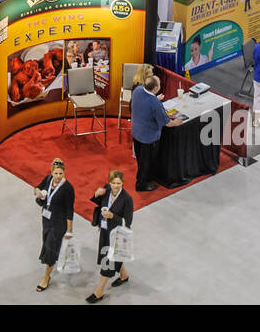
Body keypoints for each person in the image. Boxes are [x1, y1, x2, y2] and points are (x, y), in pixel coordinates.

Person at [85, 169, 134, 303]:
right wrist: (97, 194)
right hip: (105, 231)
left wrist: (113, 216)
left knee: (108, 261)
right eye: (113, 183)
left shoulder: (127, 199)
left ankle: (99, 291)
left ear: (123, 183)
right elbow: (98, 202)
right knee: (110, 256)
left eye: (118, 183)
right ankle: (124, 276)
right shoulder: (106, 189)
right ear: (109, 183)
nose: (116, 186)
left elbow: (127, 223)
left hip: (117, 236)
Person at [131, 73, 184, 191]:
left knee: (141, 159)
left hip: (136, 132)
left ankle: (145, 177)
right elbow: (167, 123)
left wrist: (156, 98)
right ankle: (141, 184)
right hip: (148, 138)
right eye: (159, 84)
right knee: (146, 162)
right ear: (155, 88)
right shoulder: (154, 103)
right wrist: (177, 122)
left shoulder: (138, 90)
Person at [33, 158, 75, 292]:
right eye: (56, 173)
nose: (58, 176)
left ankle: (46, 277)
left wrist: (69, 230)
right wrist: (38, 192)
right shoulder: (47, 179)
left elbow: (70, 210)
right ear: (52, 172)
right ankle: (60, 254)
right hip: (46, 220)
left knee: (50, 249)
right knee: (47, 243)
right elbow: (36, 187)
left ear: (64, 173)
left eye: (60, 174)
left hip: (59, 223)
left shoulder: (68, 188)